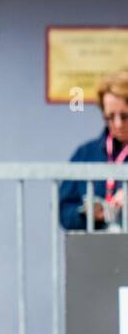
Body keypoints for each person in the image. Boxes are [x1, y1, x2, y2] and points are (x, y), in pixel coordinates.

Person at [60, 69, 128, 231]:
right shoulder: (85, 154)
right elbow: (64, 211)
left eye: (125, 116)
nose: (118, 124)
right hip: (96, 249)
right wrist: (87, 215)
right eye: (110, 117)